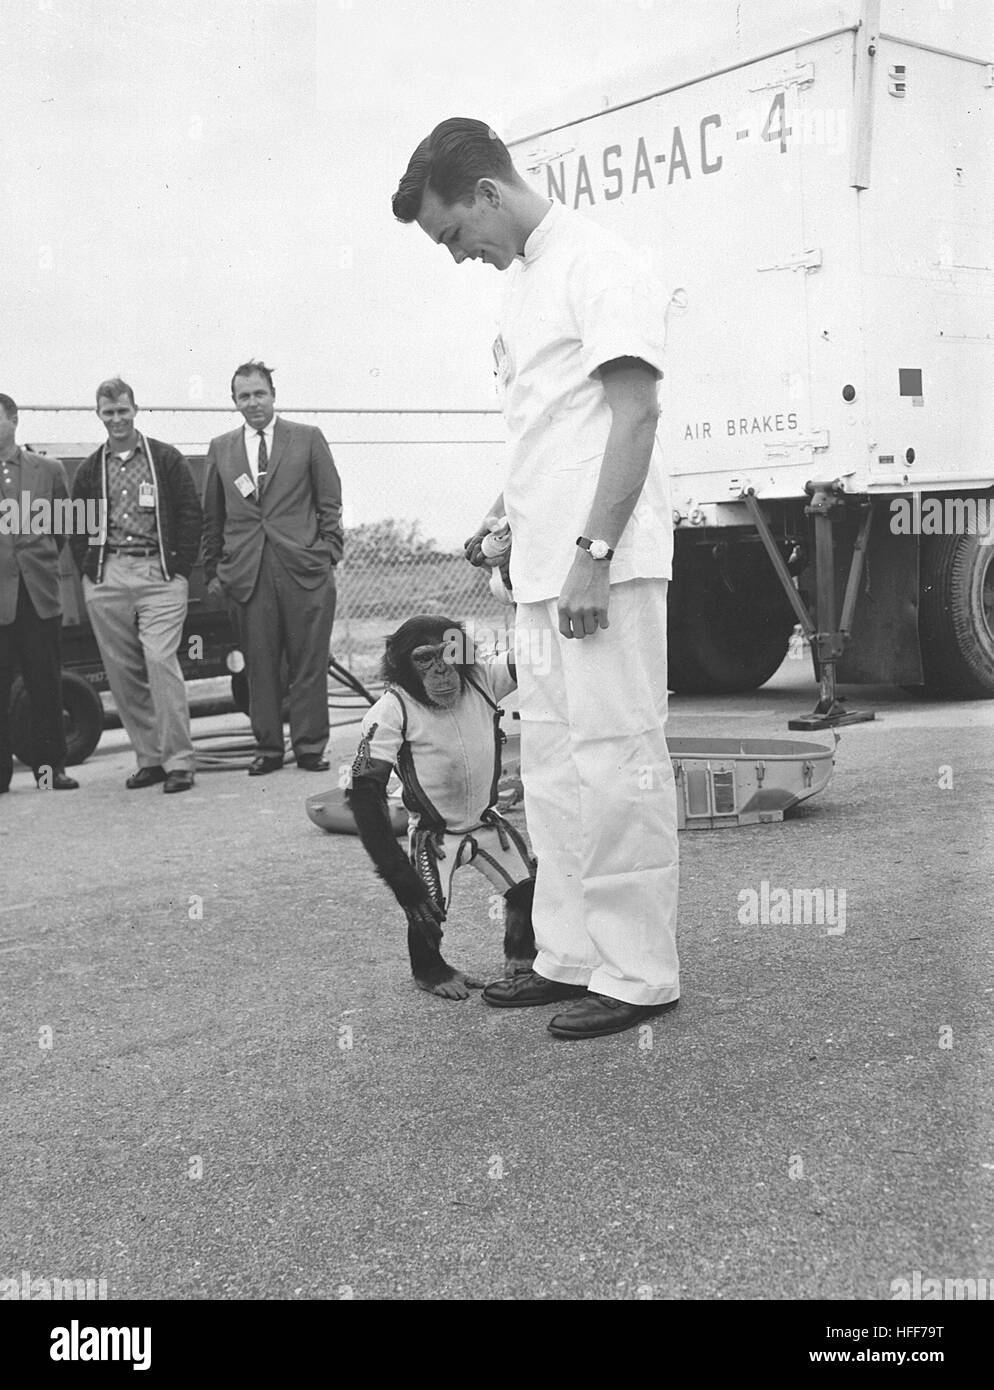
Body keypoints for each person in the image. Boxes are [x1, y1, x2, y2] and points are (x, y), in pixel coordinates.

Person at [392, 118, 679, 1040]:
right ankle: (568, 955)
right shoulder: (521, 285)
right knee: (553, 771)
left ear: (486, 192)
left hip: (601, 569)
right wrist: (503, 518)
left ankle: (639, 973)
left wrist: (594, 553)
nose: (457, 255)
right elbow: (551, 430)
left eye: (453, 233)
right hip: (540, 577)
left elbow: (635, 415)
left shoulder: (601, 264)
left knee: (618, 764)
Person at [201, 361, 344, 776]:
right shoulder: (221, 448)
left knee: (309, 660)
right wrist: (215, 571)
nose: (253, 402)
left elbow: (329, 501)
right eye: (244, 396)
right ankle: (267, 747)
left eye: (259, 393)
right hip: (248, 572)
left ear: (273, 395)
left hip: (304, 568)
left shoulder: (307, 438)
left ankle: (310, 746)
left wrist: (328, 551)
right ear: (234, 402)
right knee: (259, 664)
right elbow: (213, 515)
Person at [70, 378, 201, 793]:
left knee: (160, 661)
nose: (117, 419)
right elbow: (77, 525)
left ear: (135, 410)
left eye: (123, 411)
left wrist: (180, 569)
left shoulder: (164, 458)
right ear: (98, 415)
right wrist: (91, 573)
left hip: (158, 576)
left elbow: (190, 513)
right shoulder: (91, 468)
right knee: (123, 674)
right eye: (109, 412)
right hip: (108, 576)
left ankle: (179, 762)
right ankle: (151, 759)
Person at [0, 393, 78, 792]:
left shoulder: (49, 470)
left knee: (45, 686)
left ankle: (51, 771)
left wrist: (34, 563)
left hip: (37, 597)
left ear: (14, 420)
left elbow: (62, 530)